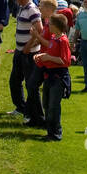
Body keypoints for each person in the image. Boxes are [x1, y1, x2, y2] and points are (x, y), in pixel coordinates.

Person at [32, 13, 73, 141]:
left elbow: (65, 61)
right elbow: (50, 55)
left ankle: (55, 133)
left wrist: (48, 57)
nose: (47, 26)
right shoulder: (54, 38)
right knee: (46, 104)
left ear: (56, 26)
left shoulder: (63, 40)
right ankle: (49, 131)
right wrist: (40, 57)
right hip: (49, 75)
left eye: (50, 24)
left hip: (58, 77)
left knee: (53, 106)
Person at [9, 0, 43, 120]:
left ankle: (34, 114)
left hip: (29, 52)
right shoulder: (22, 8)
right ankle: (21, 108)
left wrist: (29, 46)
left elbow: (39, 31)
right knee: (15, 81)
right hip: (20, 50)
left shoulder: (32, 10)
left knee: (30, 84)